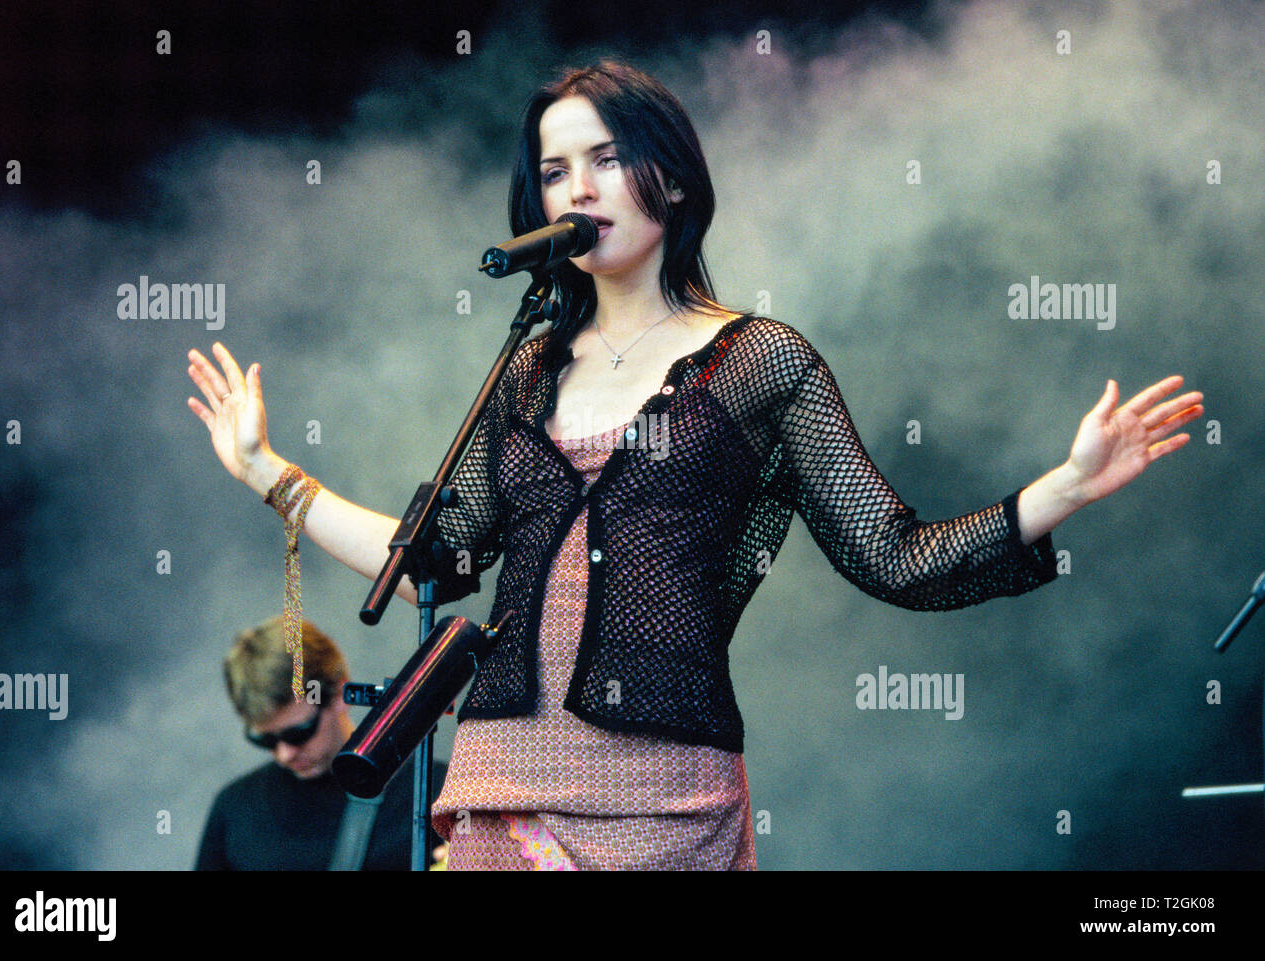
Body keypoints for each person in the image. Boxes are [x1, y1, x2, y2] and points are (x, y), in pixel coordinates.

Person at [185, 59, 1205, 870]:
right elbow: (428, 552)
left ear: (668, 177)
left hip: (661, 788)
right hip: (501, 774)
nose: (574, 188)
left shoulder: (760, 360)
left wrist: (1062, 486)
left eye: (602, 158)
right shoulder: (527, 367)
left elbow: (895, 555)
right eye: (551, 171)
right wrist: (270, 472)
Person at [194, 615, 447, 870]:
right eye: (265, 740)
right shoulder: (234, 808)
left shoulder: (438, 794)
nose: (284, 755)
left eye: (298, 733)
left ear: (339, 693)